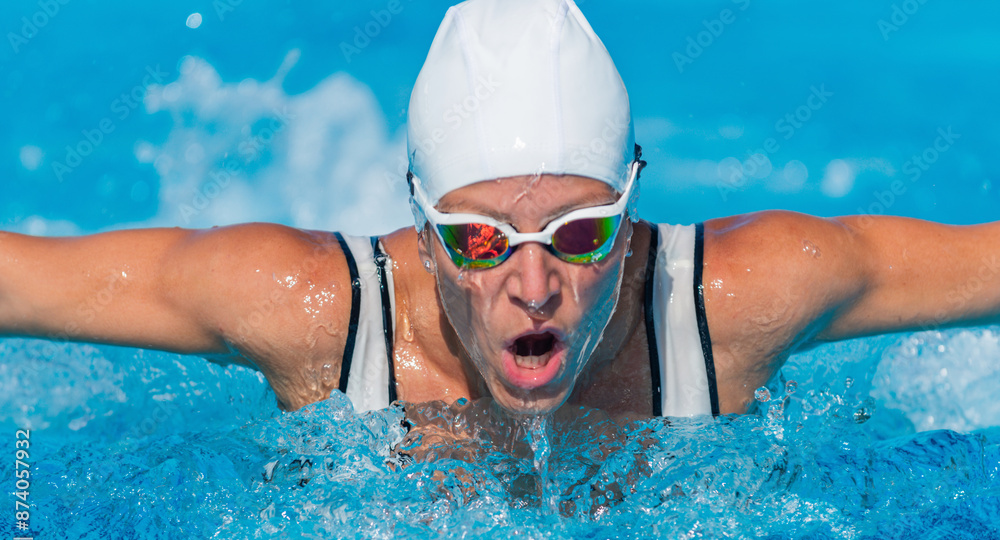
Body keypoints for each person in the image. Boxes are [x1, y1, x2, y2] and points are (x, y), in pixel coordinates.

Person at [2, 0, 998, 423]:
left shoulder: (741, 298)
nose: (532, 285)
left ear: (631, 214)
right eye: (479, 241)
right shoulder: (309, 311)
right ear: (422, 231)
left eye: (579, 235)